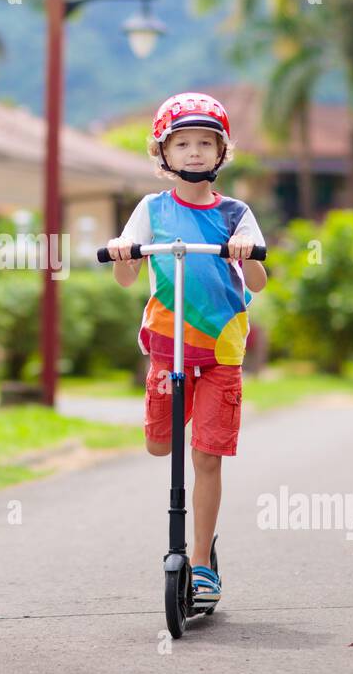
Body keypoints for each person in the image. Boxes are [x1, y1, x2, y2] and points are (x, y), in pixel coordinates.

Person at [104, 91, 267, 606]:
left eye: (205, 143)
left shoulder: (236, 213)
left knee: (207, 458)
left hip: (222, 349)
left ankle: (200, 561)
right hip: (167, 346)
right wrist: (122, 252)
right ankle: (197, 555)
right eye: (182, 144)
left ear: (221, 153)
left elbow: (258, 282)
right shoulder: (151, 210)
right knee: (159, 444)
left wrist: (247, 252)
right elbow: (127, 280)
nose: (194, 152)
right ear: (164, 154)